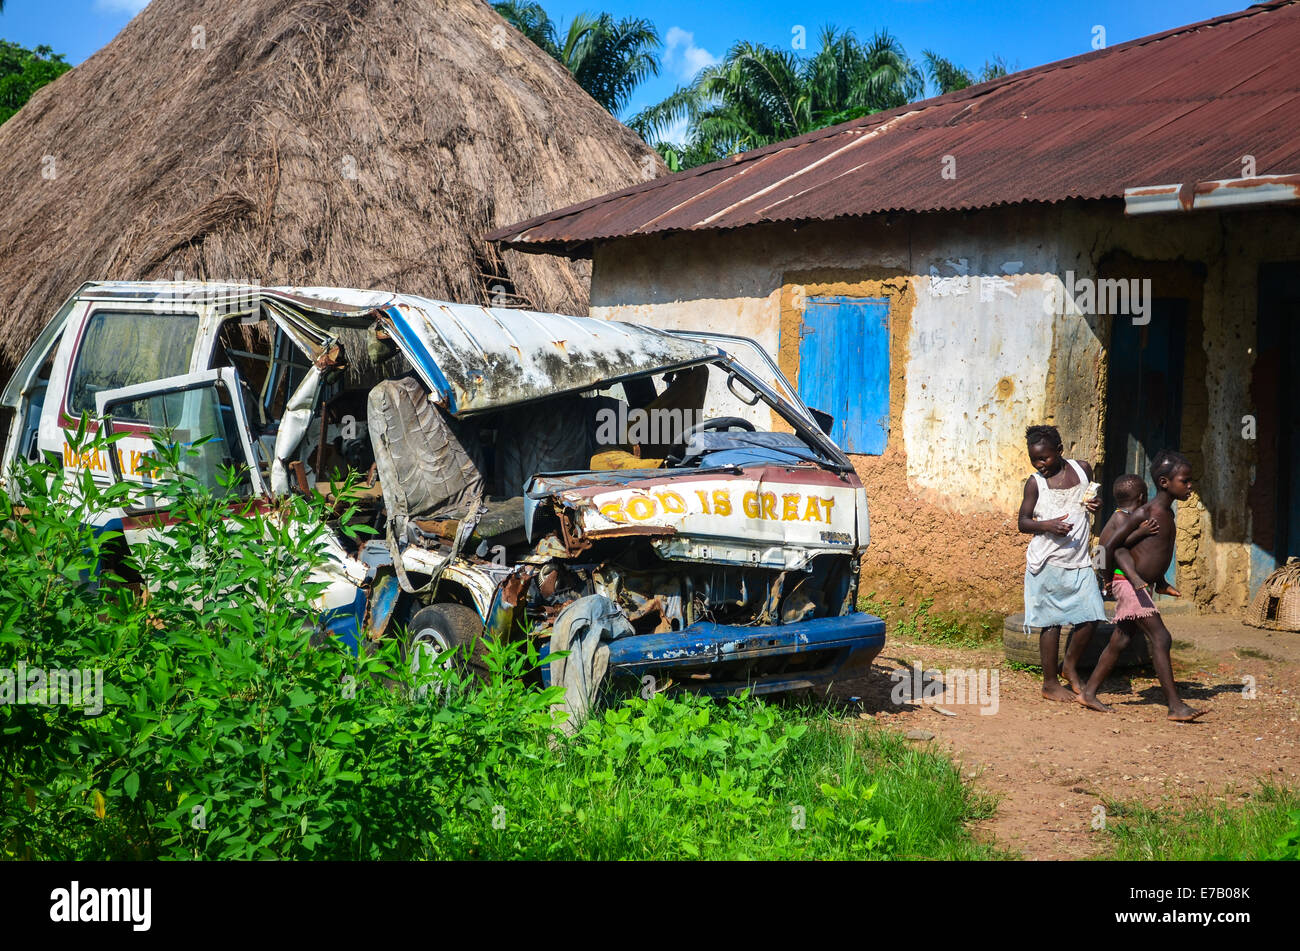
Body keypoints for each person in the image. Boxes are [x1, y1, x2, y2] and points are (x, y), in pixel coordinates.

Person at [1078, 450, 1207, 721]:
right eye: (1185, 480)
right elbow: (1113, 546)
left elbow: (1151, 553)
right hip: (1129, 585)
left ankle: (1089, 693)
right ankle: (1175, 706)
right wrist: (1113, 579)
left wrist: (1160, 581)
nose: (1189, 485)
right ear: (1164, 482)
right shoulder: (1145, 513)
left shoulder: (1165, 513)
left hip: (1140, 586)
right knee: (1161, 638)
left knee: (1121, 638)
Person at [1017, 425, 1105, 701]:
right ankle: (1049, 684)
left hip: (1078, 560)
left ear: (1060, 450)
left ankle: (1069, 665)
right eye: (1034, 460)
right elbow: (1023, 522)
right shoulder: (1035, 483)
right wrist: (1047, 525)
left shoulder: (1082, 470)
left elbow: (1089, 499)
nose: (1040, 465)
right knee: (1051, 623)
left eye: (1045, 458)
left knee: (1092, 617)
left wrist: (1095, 505)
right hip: (1047, 561)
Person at [1095, 474, 1158, 598]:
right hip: (1103, 561)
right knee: (1120, 549)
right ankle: (1132, 578)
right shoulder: (1121, 517)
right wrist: (1141, 532)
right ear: (1142, 497)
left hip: (1105, 558)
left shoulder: (1126, 516)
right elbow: (1117, 545)